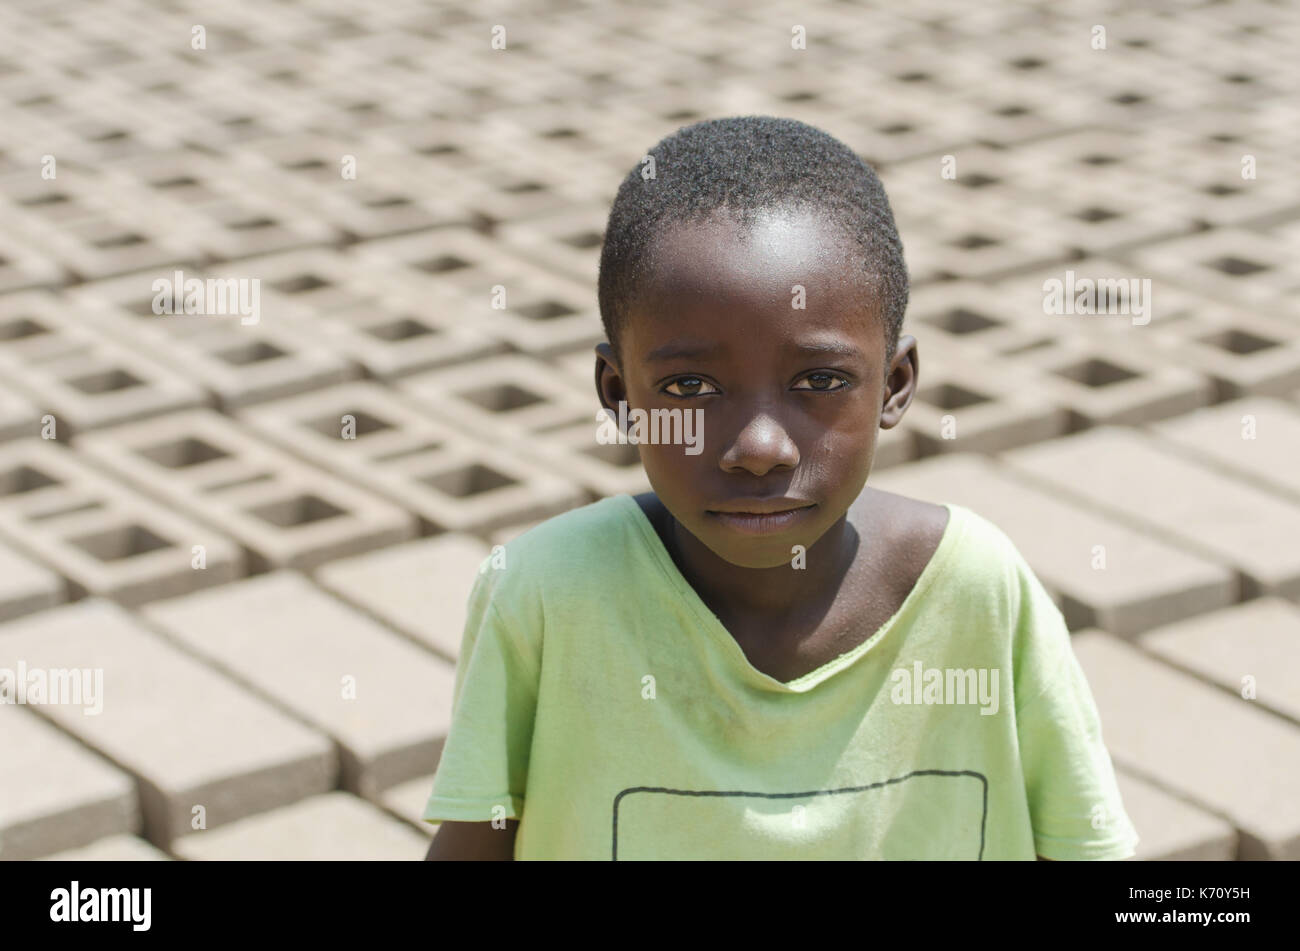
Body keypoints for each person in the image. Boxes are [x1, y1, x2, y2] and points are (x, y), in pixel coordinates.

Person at [422, 116, 1139, 860]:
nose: (759, 448)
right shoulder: (546, 596)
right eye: (690, 386)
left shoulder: (981, 595)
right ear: (619, 395)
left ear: (895, 386)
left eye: (820, 380)